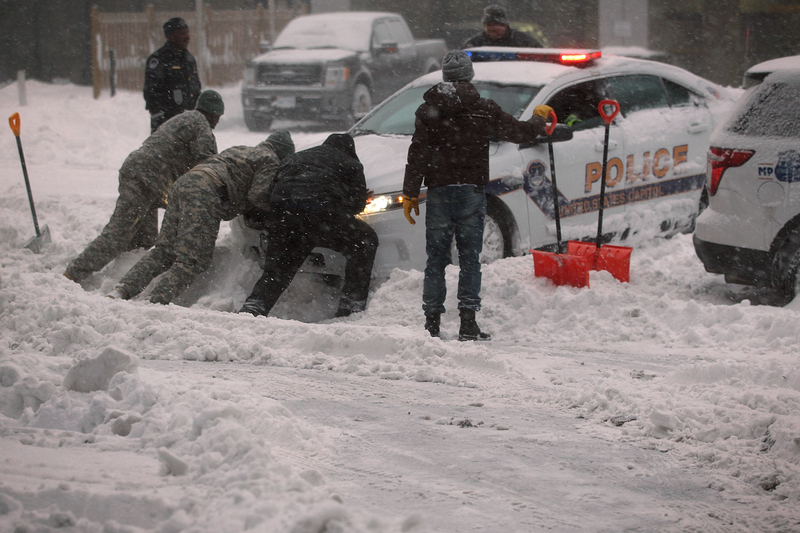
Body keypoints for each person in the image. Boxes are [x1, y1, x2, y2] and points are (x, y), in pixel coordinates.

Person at [402, 50, 551, 341]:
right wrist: (538, 119)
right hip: (471, 191)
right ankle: (468, 323)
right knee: (470, 259)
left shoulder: (428, 110)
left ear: (445, 76)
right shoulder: (483, 108)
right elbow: (520, 133)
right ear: (470, 75)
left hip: (439, 191)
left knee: (436, 260)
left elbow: (418, 152)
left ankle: (431, 325)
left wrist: (410, 192)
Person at [108, 130, 296, 305]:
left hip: (183, 183)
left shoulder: (240, 149)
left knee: (164, 250)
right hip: (206, 192)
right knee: (193, 259)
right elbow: (258, 195)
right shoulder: (270, 159)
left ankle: (122, 290)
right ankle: (155, 301)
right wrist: (275, 211)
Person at [64, 90, 225, 284]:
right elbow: (207, 164)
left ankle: (121, 272)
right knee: (119, 233)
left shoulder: (184, 118)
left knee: (144, 239)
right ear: (212, 113)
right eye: (217, 116)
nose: (217, 121)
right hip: (146, 179)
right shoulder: (202, 126)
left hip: (144, 175)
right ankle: (72, 274)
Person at [240, 133, 378, 319]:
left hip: (285, 216)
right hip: (323, 216)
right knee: (365, 239)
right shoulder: (351, 164)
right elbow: (356, 206)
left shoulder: (292, 158)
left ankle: (254, 307)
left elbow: (274, 190)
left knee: (279, 270)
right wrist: (355, 198)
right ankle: (351, 305)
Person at [144, 17, 202, 133]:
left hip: (189, 122)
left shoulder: (189, 59)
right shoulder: (159, 59)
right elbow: (151, 91)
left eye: (187, 33)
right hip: (167, 122)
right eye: (182, 33)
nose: (187, 37)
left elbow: (195, 89)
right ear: (171, 36)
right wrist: (159, 116)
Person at [461, 4, 542, 49]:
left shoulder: (524, 42)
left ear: (505, 25)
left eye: (495, 25)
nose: (491, 28)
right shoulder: (475, 43)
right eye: (488, 25)